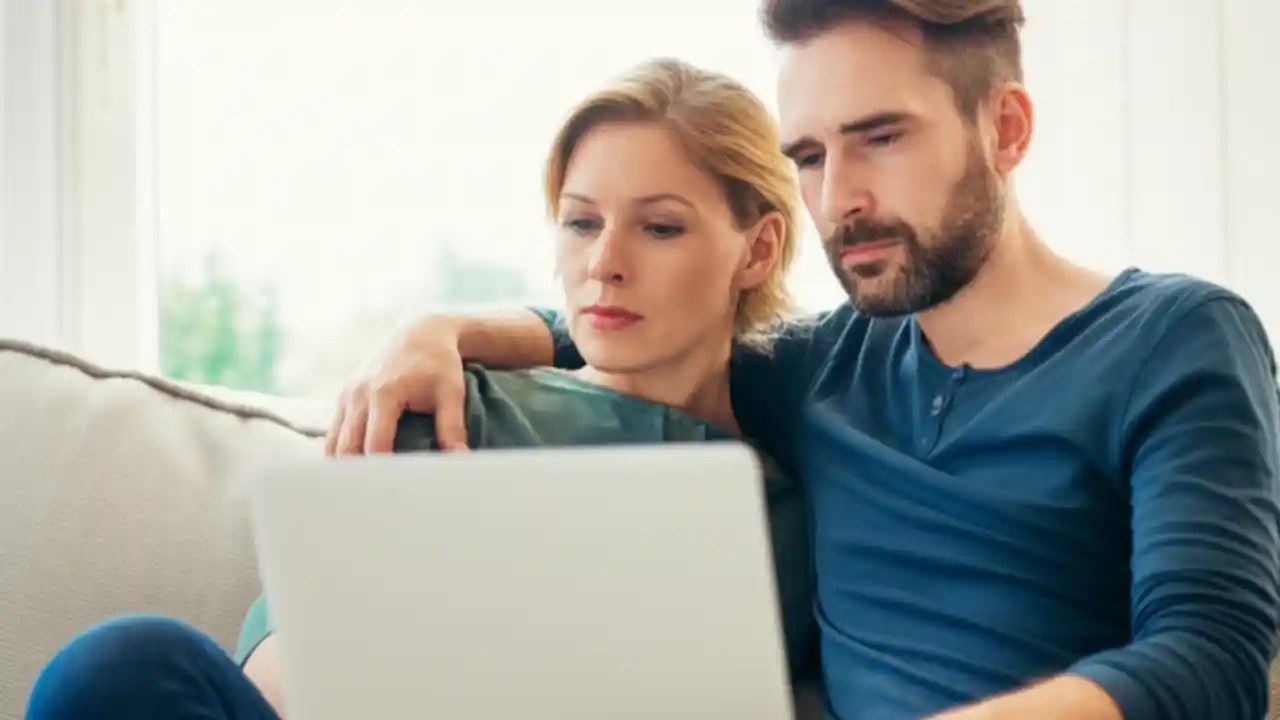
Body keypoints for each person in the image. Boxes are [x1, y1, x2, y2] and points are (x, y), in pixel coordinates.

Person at [327, 2, 1280, 720]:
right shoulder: (822, 369)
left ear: (1007, 129)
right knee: (169, 659)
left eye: (881, 138)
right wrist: (438, 331)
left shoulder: (1176, 335)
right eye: (812, 156)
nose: (842, 197)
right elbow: (626, 315)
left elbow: (1213, 657)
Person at [25, 59, 824, 719]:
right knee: (126, 662)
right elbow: (285, 665)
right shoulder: (449, 401)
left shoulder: (796, 502)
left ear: (757, 251)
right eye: (582, 223)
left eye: (659, 227)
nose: (604, 262)